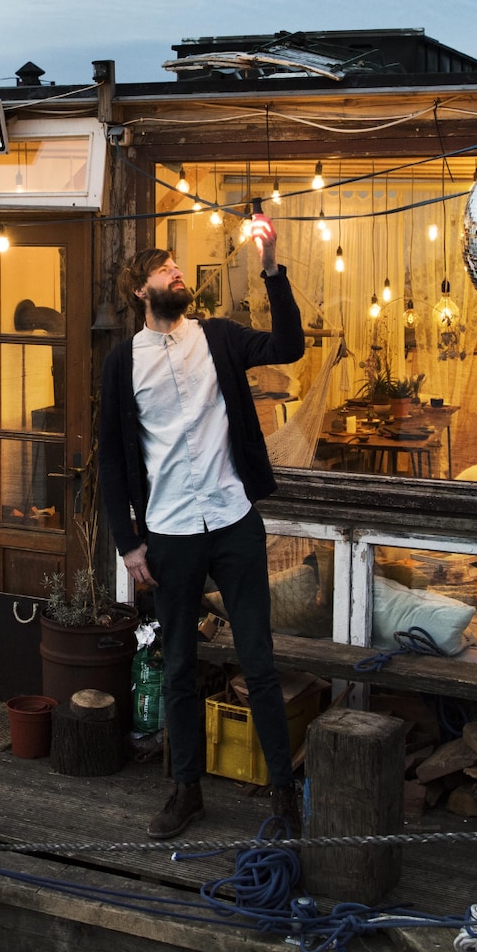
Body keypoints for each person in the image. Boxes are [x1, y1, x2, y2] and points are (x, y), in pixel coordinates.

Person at [100, 213, 308, 842]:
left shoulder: (218, 337)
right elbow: (111, 455)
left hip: (234, 520)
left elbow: (290, 346)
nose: (178, 273)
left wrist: (272, 270)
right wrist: (128, 542)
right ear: (142, 288)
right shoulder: (121, 363)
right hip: (168, 533)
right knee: (181, 664)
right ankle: (185, 789)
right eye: (167, 268)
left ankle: (283, 796)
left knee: (261, 662)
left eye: (179, 268)